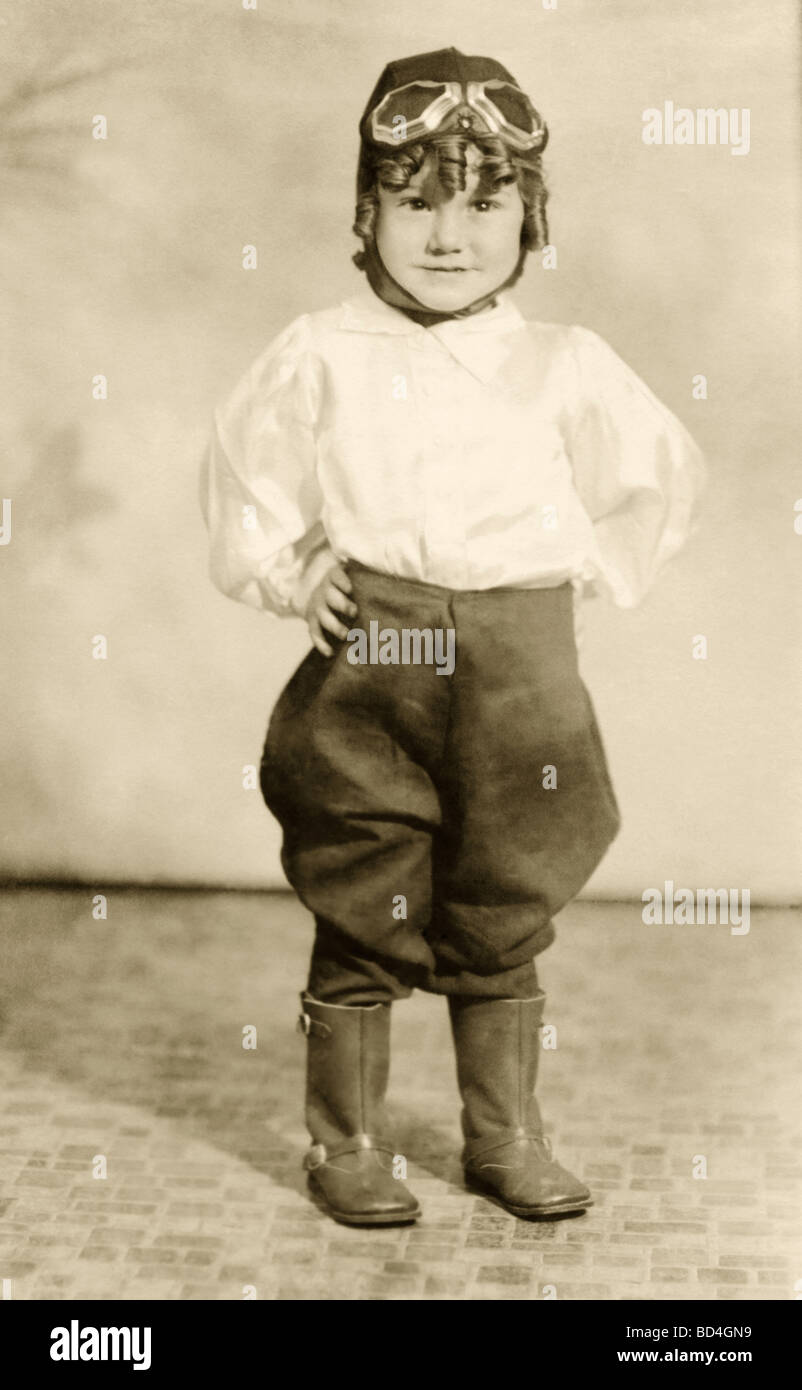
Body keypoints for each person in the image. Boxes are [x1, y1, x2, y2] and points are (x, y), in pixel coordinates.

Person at [201, 46, 706, 1227]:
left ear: (529, 220)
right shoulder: (321, 350)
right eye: (414, 200)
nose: (447, 233)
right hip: (379, 650)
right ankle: (348, 1143)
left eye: (484, 204)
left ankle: (505, 1132)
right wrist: (290, 571)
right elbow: (247, 474)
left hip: (521, 665)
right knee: (363, 879)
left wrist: (577, 569)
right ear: (364, 211)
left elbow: (658, 480)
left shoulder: (561, 362)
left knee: (503, 888)